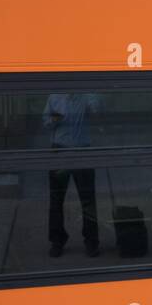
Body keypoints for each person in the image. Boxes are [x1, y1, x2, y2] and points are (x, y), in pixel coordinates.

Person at [45, 92, 102, 258]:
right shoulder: (54, 98)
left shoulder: (86, 97)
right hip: (60, 150)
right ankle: (57, 241)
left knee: (88, 199)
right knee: (56, 199)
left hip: (82, 150)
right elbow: (46, 122)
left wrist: (93, 106)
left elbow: (98, 112)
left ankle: (91, 241)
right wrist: (54, 120)